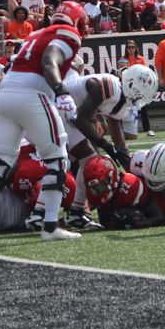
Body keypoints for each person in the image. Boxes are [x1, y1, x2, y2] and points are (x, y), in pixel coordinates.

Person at [0, 1, 91, 245]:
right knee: (57, 159)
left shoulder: (35, 33)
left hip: (5, 94)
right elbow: (50, 61)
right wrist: (60, 90)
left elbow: (14, 65)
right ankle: (50, 225)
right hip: (31, 94)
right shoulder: (68, 34)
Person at [60, 65, 159, 228]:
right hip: (57, 108)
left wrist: (129, 168)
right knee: (79, 161)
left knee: (88, 160)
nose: (137, 100)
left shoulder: (121, 100)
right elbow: (82, 120)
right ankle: (50, 211)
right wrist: (107, 146)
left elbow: (119, 141)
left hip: (68, 114)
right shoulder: (110, 85)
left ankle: (75, 212)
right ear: (131, 84)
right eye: (138, 95)